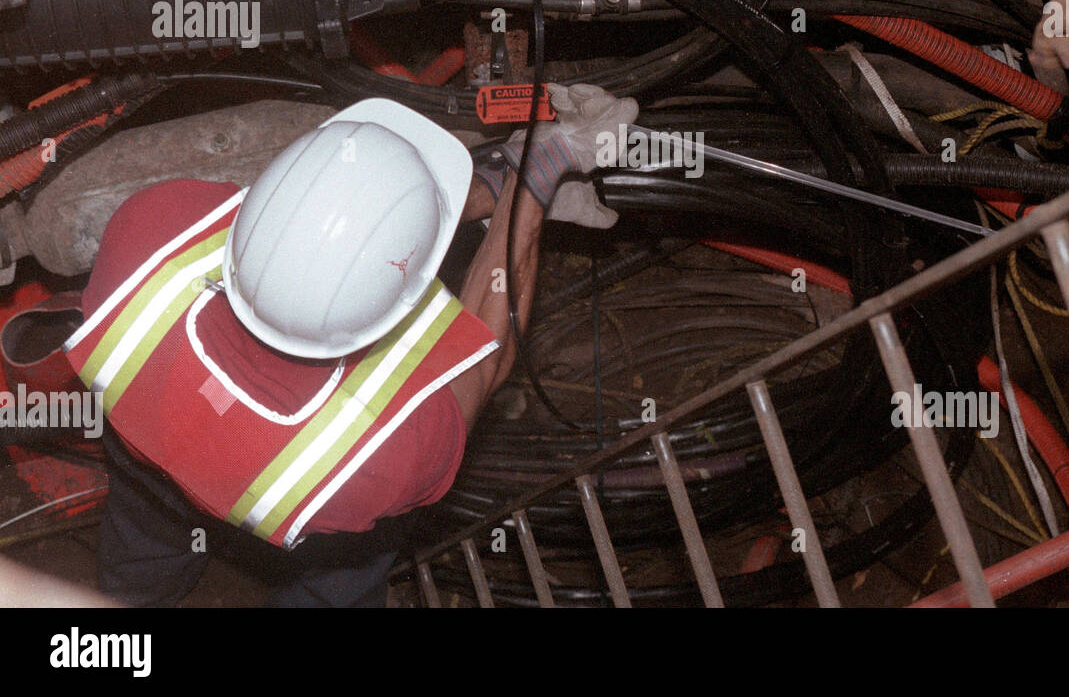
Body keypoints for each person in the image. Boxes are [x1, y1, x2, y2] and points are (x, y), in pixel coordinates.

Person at [55, 82, 637, 607]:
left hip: (147, 466)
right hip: (318, 516)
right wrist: (534, 180)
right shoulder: (384, 459)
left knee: (142, 553)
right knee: (336, 585)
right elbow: (488, 356)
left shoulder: (149, 228)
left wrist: (496, 187)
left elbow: (301, 227)